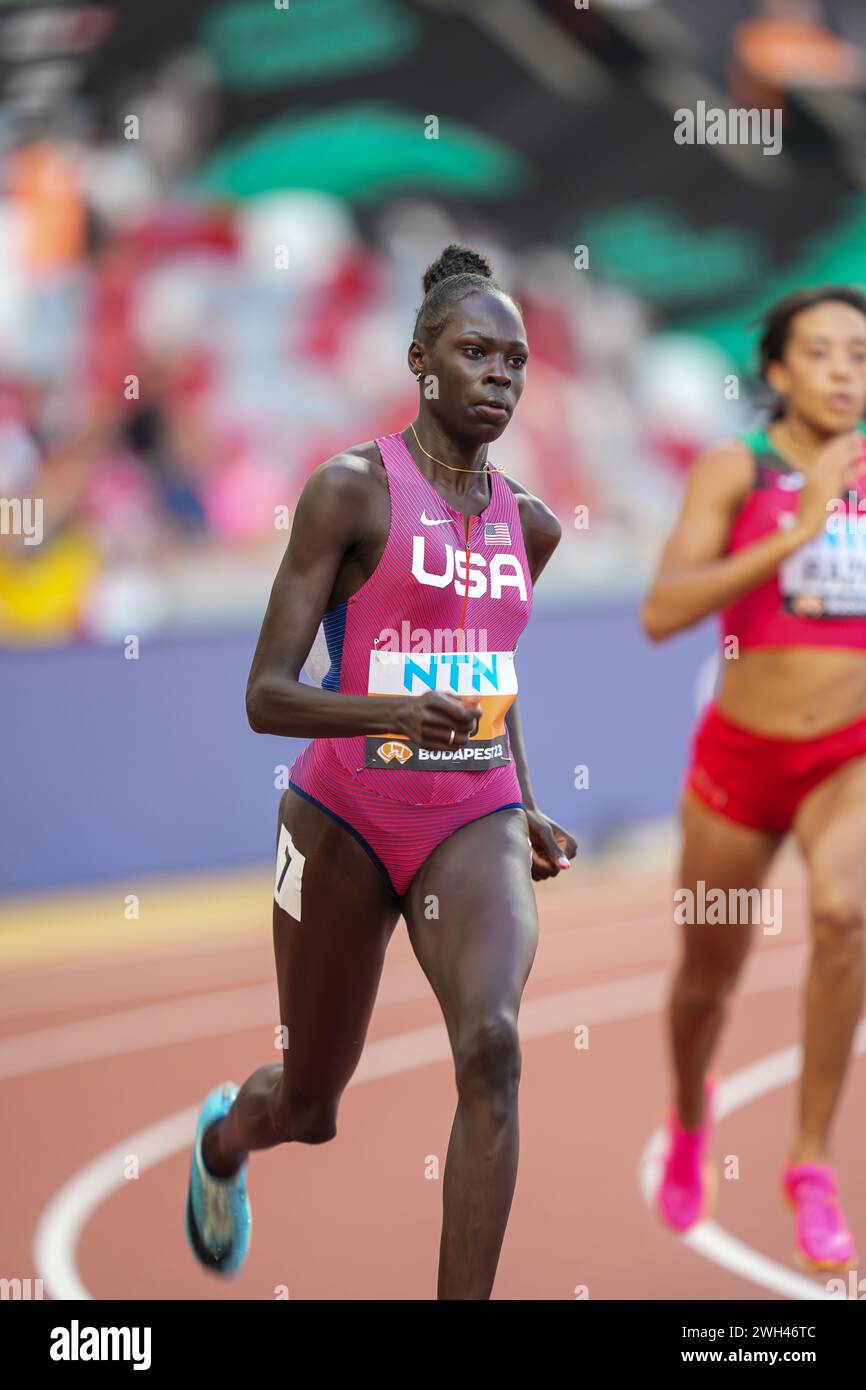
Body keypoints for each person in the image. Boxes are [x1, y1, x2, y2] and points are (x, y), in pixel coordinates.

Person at [184, 243, 576, 1299]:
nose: (498, 375)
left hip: (472, 815)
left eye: (515, 361)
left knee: (491, 1045)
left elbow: (493, 668)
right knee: (309, 1108)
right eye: (474, 353)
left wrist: (527, 802)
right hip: (339, 819)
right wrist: (391, 711)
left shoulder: (529, 524)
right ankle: (228, 1140)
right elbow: (266, 695)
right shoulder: (349, 492)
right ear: (420, 360)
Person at [643, 286, 866, 1271]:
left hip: (846, 753)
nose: (840, 372)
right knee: (705, 980)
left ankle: (808, 1165)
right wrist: (792, 530)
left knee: (844, 915)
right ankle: (690, 1113)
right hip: (738, 760)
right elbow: (661, 609)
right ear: (775, 372)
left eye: (857, 355)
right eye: (817, 353)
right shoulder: (736, 468)